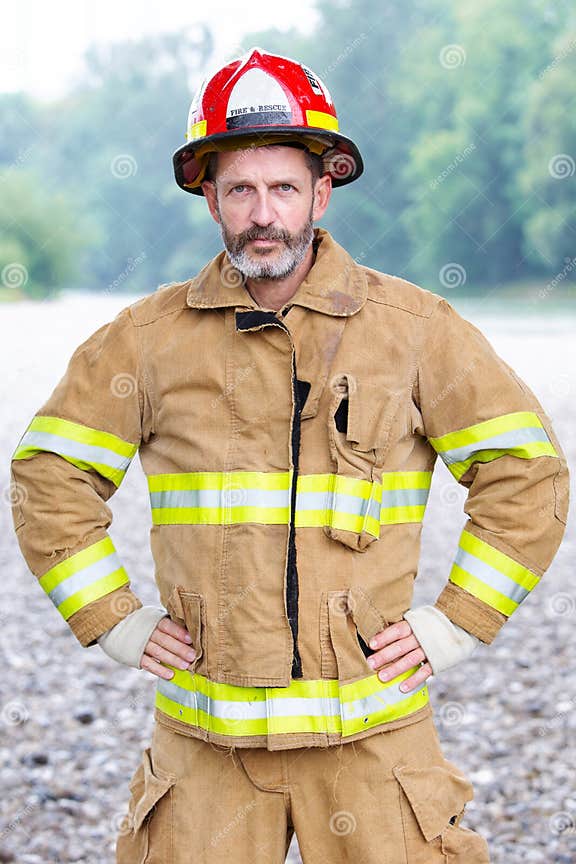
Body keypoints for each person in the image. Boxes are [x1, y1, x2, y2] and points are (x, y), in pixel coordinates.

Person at [9, 47, 569, 863]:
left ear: (322, 189)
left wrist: (458, 621)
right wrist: (114, 619)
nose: (262, 213)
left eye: (282, 188)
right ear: (210, 200)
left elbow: (525, 468)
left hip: (373, 738)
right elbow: (48, 472)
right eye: (240, 189)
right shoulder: (147, 341)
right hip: (207, 745)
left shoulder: (414, 330)